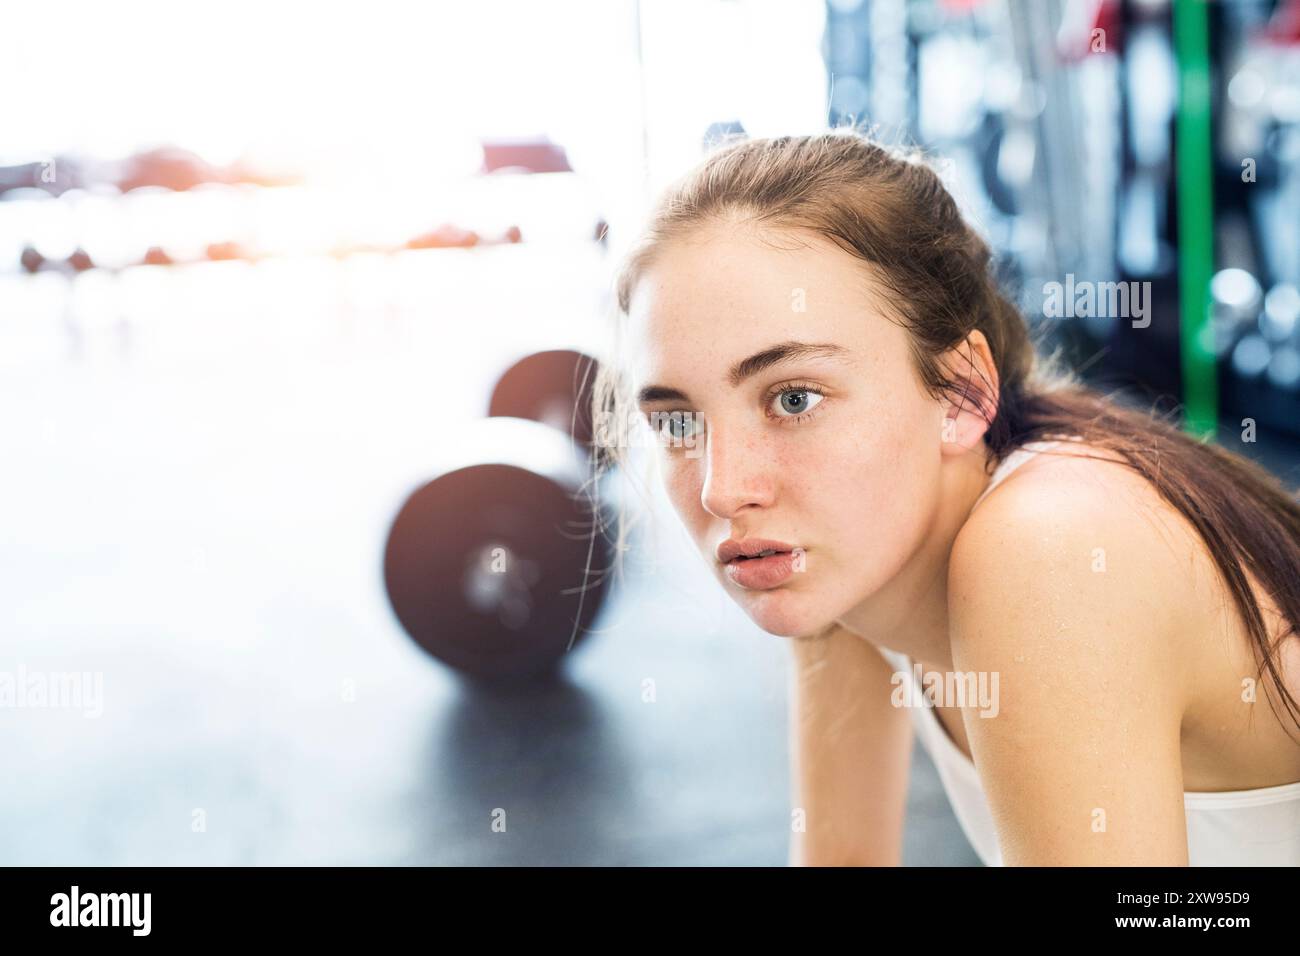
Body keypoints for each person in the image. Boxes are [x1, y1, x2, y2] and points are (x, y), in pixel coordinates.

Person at [589, 129, 1300, 866]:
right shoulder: (839, 567)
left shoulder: (1052, 546)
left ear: (962, 392)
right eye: (677, 421)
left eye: (794, 399)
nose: (725, 489)